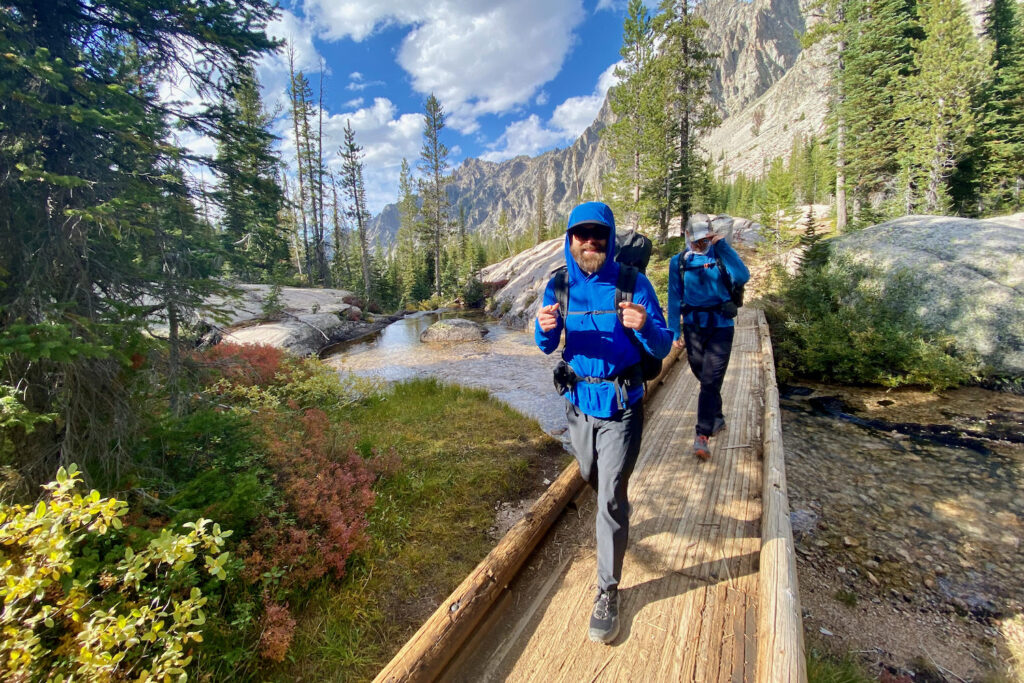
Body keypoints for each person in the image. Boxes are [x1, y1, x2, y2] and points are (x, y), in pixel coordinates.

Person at [535, 201, 671, 644]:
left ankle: (606, 592)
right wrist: (542, 328)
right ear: (570, 239)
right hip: (578, 407)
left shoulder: (633, 284)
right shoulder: (558, 286)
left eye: (598, 235)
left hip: (622, 406)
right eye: (581, 235)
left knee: (610, 493)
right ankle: (614, 517)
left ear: (609, 239)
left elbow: (665, 343)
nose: (590, 242)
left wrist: (646, 325)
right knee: (592, 477)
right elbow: (546, 344)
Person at [666, 213, 750, 460]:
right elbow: (674, 297)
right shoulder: (678, 262)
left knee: (711, 380)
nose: (700, 246)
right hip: (693, 326)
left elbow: (743, 276)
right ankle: (717, 415)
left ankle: (702, 435)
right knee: (702, 375)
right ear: (687, 238)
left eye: (704, 241)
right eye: (696, 242)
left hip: (721, 326)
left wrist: (720, 244)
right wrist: (674, 329)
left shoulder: (719, 254)